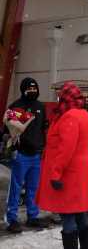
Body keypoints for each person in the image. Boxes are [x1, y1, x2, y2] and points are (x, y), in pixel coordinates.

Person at [36, 82, 88, 249]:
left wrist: (55, 173)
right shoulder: (83, 114)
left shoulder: (69, 116)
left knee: (68, 217)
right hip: (80, 172)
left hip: (68, 174)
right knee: (80, 214)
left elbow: (66, 150)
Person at [4, 77, 48, 233]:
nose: (32, 91)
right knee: (15, 188)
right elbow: (6, 129)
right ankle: (12, 219)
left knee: (33, 188)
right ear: (23, 89)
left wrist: (44, 147)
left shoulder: (41, 107)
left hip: (36, 154)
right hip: (21, 153)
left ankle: (32, 216)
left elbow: (44, 128)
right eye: (29, 89)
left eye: (35, 88)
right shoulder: (15, 106)